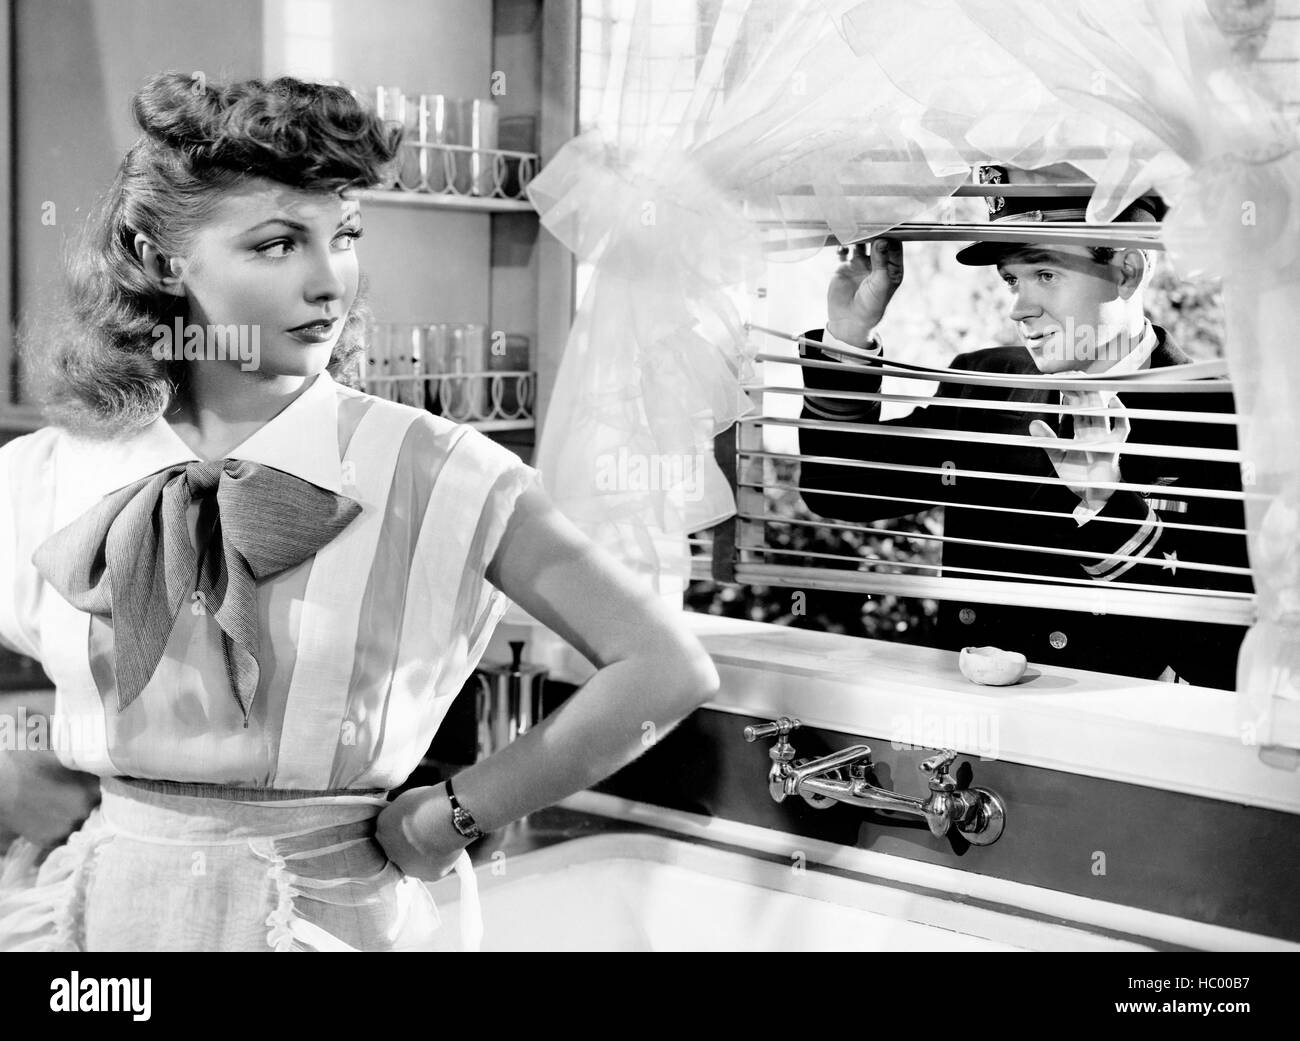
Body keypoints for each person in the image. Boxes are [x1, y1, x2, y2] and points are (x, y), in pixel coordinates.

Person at [0, 72, 719, 951]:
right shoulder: (47, 473)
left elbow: (663, 665)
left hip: (330, 920)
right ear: (159, 261)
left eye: (341, 236)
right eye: (274, 245)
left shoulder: (442, 471)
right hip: (103, 920)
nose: (327, 282)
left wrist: (454, 813)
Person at [797, 166, 1252, 690]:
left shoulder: (1226, 418)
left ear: (1126, 270)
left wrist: (1110, 513)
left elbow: (1226, 653)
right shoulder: (985, 385)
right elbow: (839, 488)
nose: (1020, 307)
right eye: (1012, 279)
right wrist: (848, 335)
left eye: (1046, 275)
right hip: (981, 732)